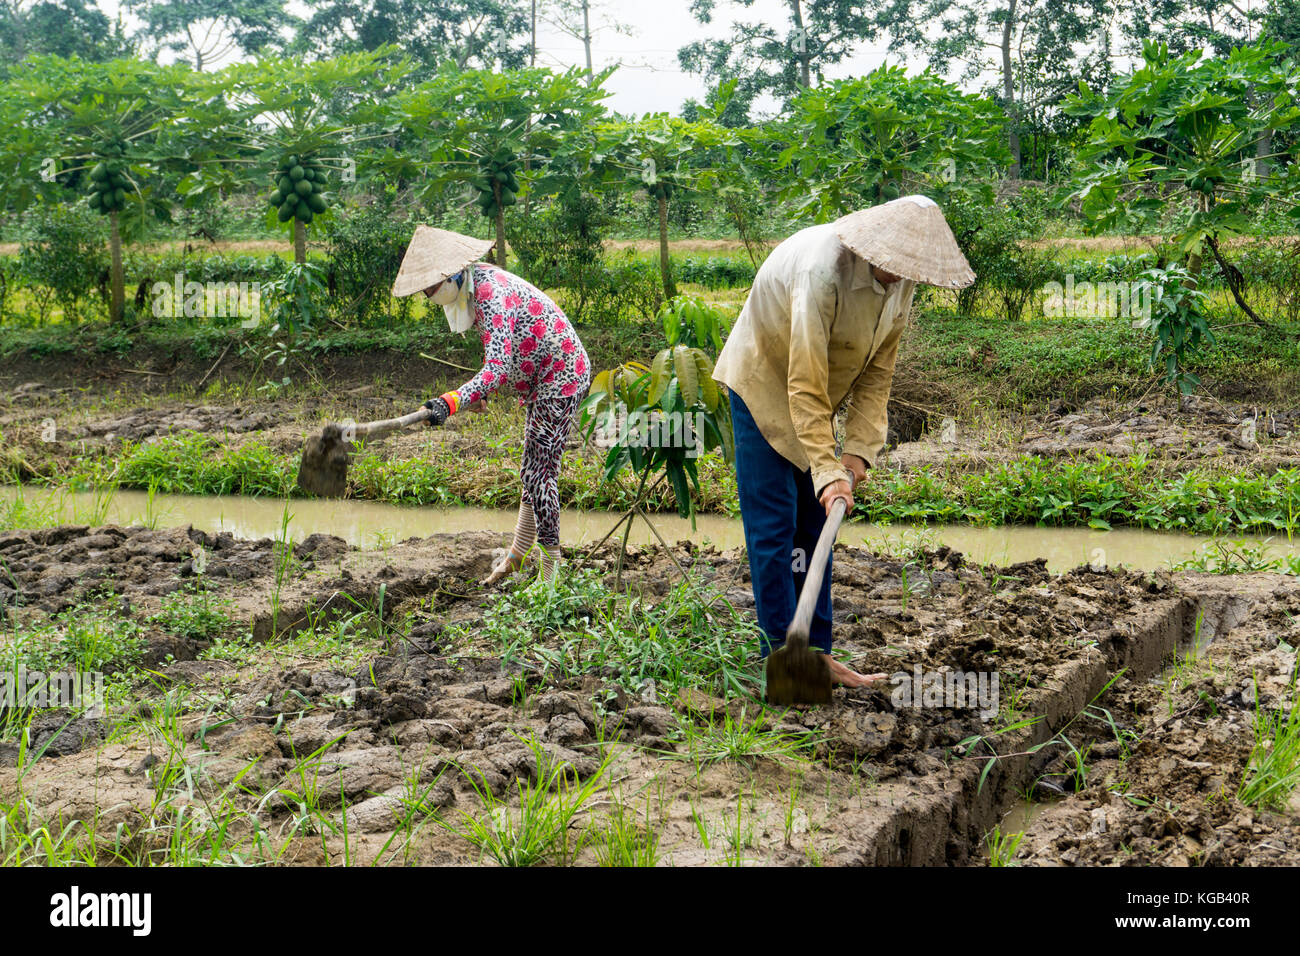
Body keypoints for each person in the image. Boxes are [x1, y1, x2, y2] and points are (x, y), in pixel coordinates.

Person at [712, 195, 975, 687]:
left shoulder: (902, 287)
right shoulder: (822, 273)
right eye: (895, 266)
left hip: (817, 392)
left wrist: (854, 453)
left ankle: (819, 655)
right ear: (873, 249)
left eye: (910, 271)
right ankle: (785, 664)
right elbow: (802, 384)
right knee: (775, 530)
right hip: (764, 382)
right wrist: (826, 470)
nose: (901, 276)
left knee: (817, 530)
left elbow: (878, 375)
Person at [391, 226, 591, 584]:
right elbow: (505, 353)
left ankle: (551, 573)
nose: (428, 295)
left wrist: (450, 402)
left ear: (450, 277)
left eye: (430, 289)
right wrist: (480, 392)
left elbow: (496, 367)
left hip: (561, 376)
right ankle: (515, 556)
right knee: (533, 471)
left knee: (539, 474)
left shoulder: (489, 292)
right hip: (545, 378)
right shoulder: (475, 288)